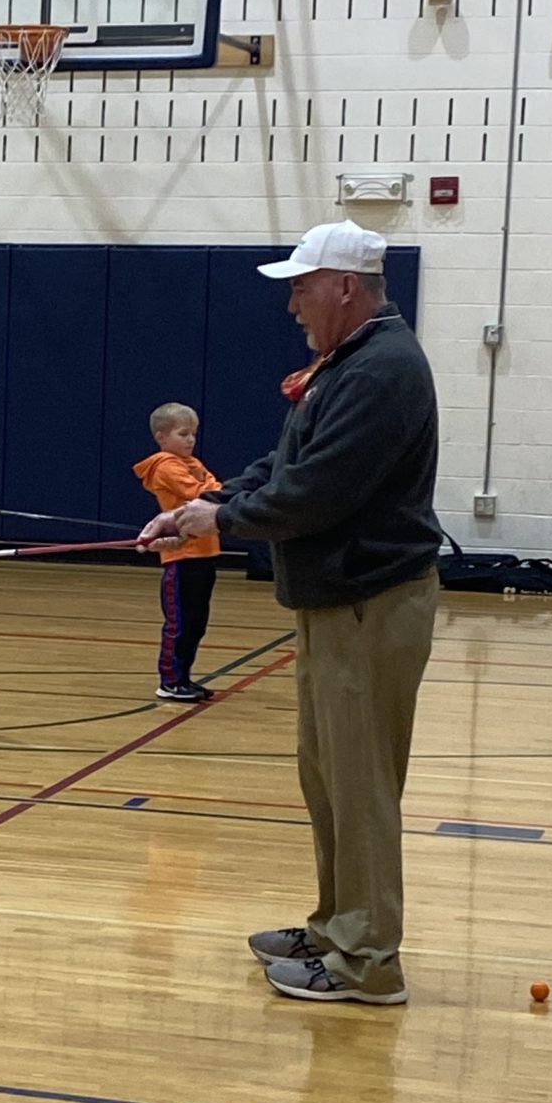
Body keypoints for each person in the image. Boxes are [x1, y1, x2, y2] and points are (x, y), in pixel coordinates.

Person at [140, 222, 440, 1007]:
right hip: (336, 598)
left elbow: (317, 492)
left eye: (301, 286)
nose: (292, 303)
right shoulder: (349, 361)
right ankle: (338, 924)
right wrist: (207, 500)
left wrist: (221, 519)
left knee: (361, 782)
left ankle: (368, 960)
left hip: (370, 600)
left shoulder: (383, 370)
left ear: (344, 285)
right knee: (329, 779)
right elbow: (286, 465)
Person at [134, 401, 226, 703]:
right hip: (181, 556)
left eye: (194, 434)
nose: (190, 440)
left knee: (197, 622)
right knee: (180, 623)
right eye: (183, 434)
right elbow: (202, 493)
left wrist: (207, 485)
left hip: (205, 552)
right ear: (162, 438)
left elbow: (217, 488)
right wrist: (206, 485)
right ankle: (170, 680)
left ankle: (184, 676)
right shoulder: (165, 466)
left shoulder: (192, 464)